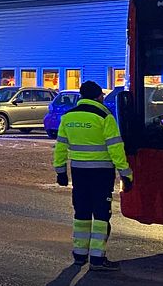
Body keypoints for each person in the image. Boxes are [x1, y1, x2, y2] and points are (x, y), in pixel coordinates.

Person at [52, 80, 133, 272]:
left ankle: (80, 255)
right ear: (98, 96)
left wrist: (61, 171)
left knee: (81, 213)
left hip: (79, 172)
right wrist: (125, 174)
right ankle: (98, 258)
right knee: (101, 215)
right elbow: (116, 148)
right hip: (101, 173)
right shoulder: (104, 116)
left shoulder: (68, 117)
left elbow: (60, 147)